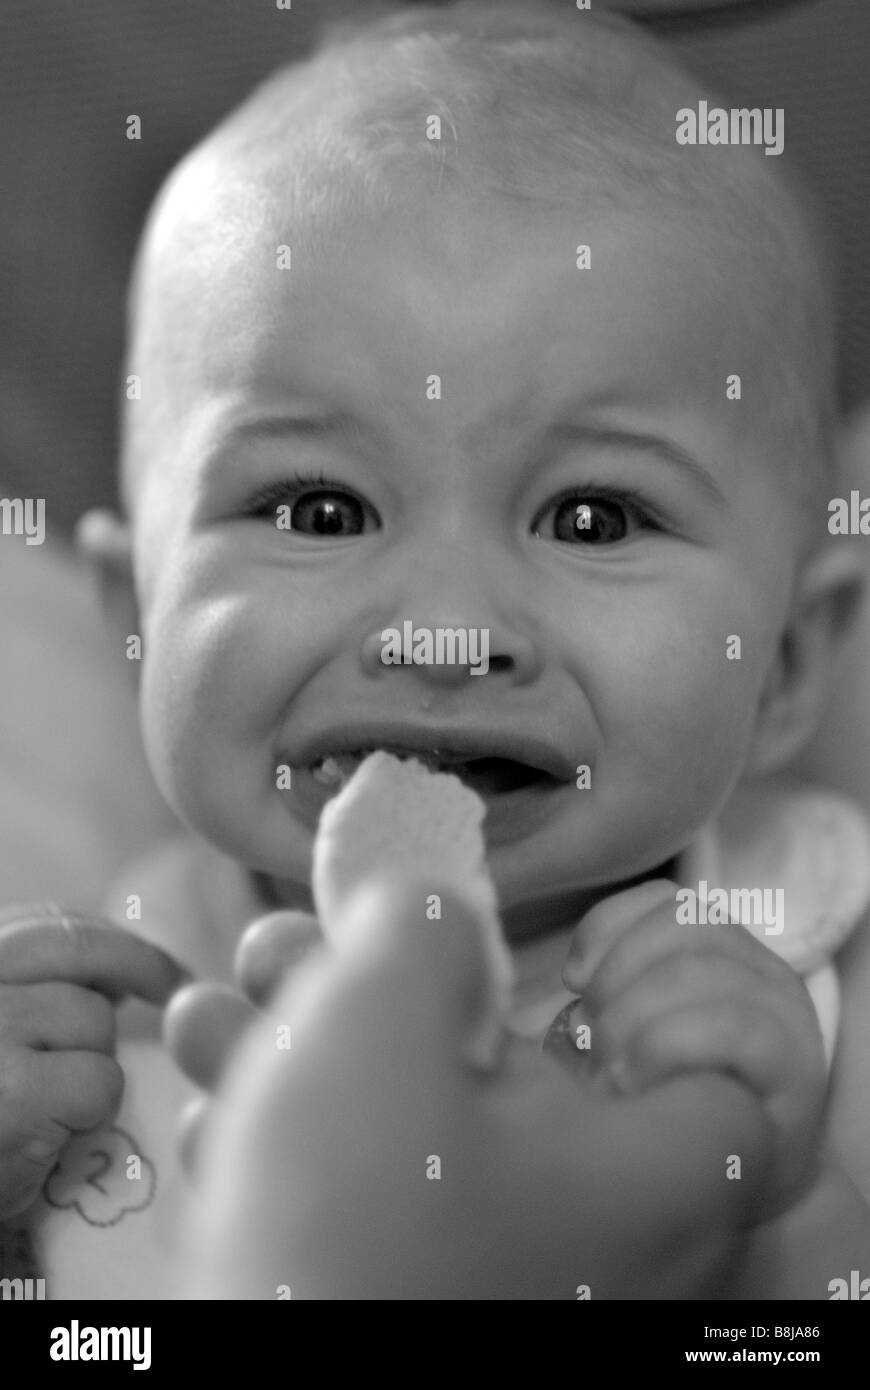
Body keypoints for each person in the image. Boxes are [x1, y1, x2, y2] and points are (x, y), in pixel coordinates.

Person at [3, 1, 869, 1297]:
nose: (445, 632)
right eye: (318, 509)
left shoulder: (787, 995)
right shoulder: (91, 1000)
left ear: (791, 661)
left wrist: (783, 1207)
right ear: (135, 622)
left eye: (592, 516)